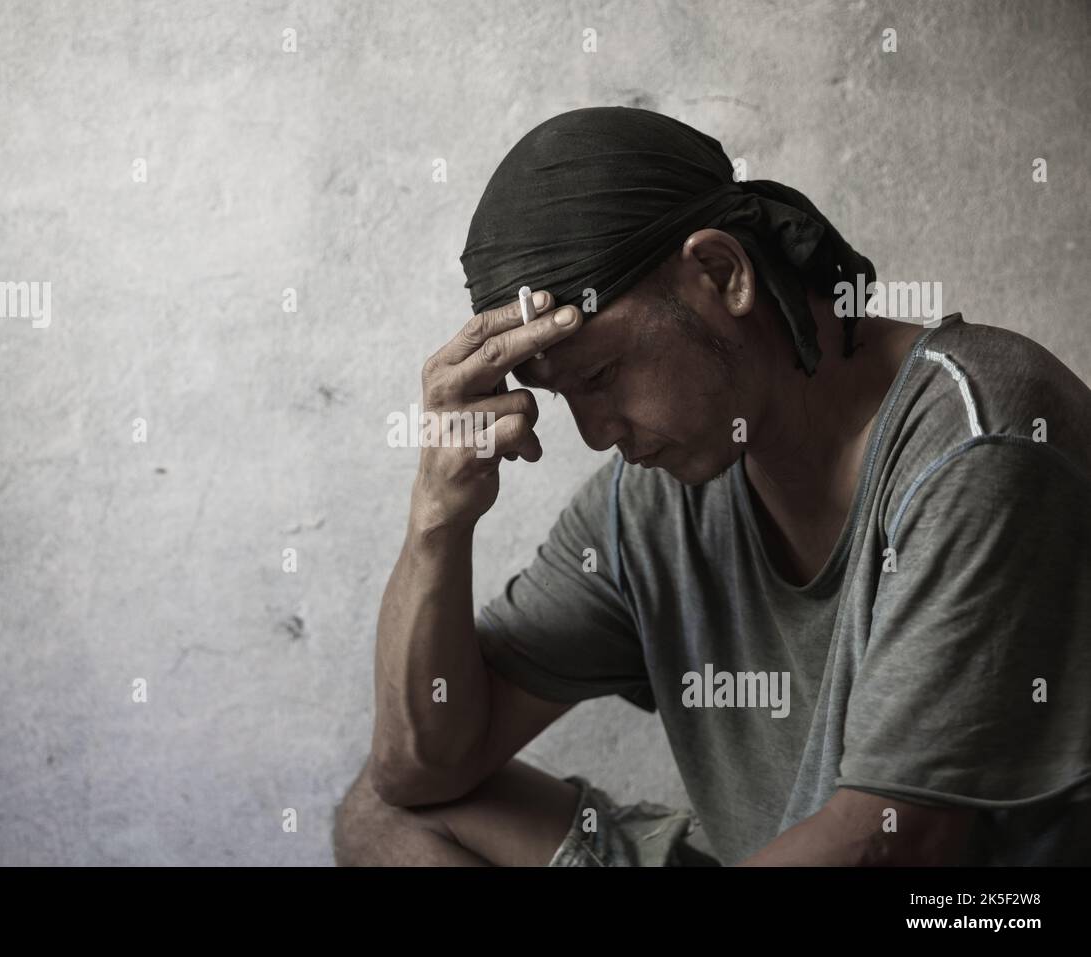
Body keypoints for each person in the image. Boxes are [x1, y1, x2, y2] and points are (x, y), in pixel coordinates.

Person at [334, 107, 1091, 866]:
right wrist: (438, 518)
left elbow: (892, 842)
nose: (597, 433)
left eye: (600, 375)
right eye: (566, 397)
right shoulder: (653, 499)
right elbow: (417, 769)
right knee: (382, 819)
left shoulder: (979, 437)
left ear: (722, 274)